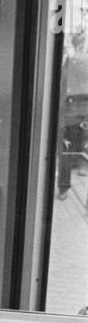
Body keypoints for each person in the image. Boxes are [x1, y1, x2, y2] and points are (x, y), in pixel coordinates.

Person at [57, 30, 88, 198]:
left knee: (67, 147)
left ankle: (63, 187)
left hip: (73, 109)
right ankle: (64, 185)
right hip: (74, 108)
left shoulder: (72, 59)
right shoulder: (76, 59)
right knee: (69, 146)